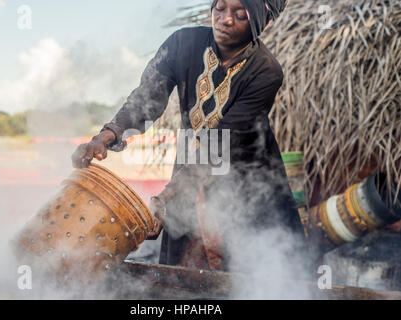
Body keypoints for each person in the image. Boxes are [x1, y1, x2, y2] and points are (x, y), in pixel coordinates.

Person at [72, 0, 306, 271]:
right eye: (220, 8)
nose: (225, 19)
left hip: (246, 180)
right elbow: (147, 100)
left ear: (262, 24)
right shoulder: (182, 43)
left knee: (248, 273)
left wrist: (167, 198)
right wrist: (107, 135)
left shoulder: (266, 71)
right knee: (182, 276)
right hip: (189, 169)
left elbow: (220, 145)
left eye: (240, 14)